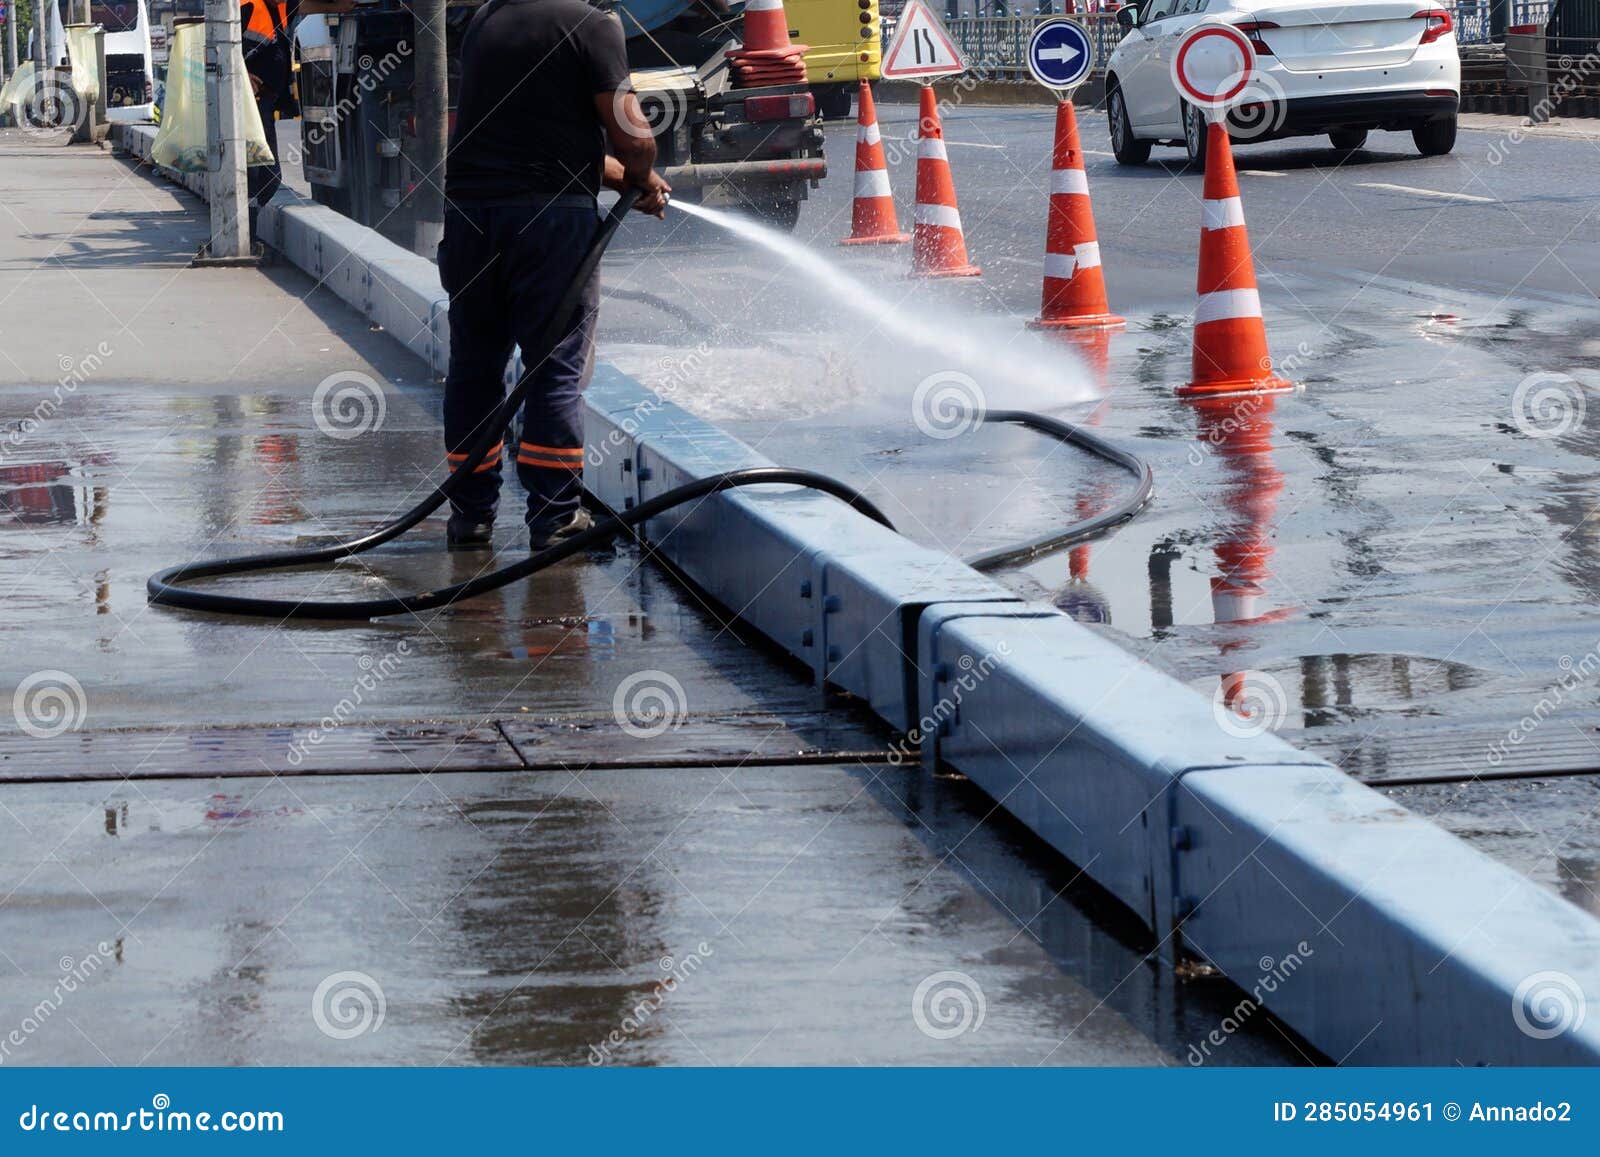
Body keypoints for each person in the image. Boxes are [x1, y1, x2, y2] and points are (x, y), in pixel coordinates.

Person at [438, 0, 670, 552]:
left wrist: (625, 182)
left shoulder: (486, 23)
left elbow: (540, 141)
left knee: (474, 367)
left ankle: (470, 515)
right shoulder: (592, 28)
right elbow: (635, 137)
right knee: (554, 368)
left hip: (471, 218)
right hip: (548, 224)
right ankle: (555, 516)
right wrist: (640, 174)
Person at [240, 0, 353, 238]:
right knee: (259, 174)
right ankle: (243, 231)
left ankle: (246, 228)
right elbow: (219, 50)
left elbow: (309, 6)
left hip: (265, 104)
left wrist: (343, 7)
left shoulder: (282, 6)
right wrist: (242, 75)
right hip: (247, 106)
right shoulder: (245, 6)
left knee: (267, 176)